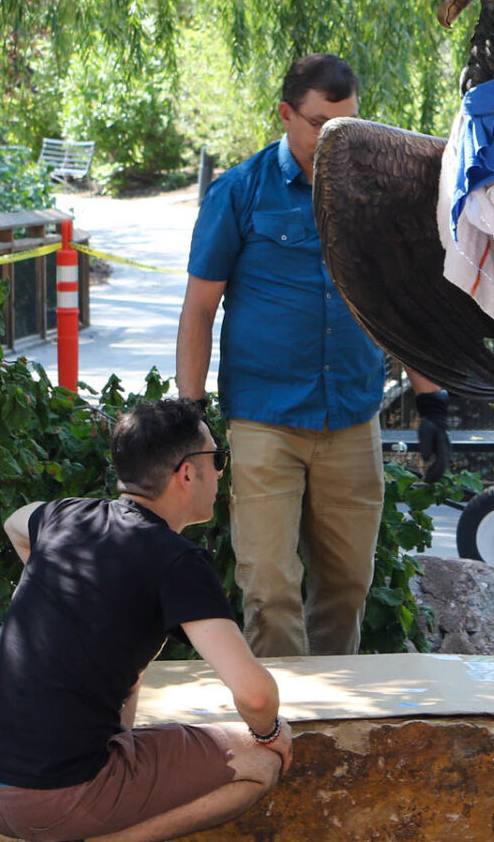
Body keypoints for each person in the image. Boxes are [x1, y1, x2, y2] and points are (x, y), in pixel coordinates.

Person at [176, 53, 449, 658]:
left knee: (348, 587)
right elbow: (198, 309)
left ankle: (333, 728)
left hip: (351, 417)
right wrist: (190, 414)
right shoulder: (240, 192)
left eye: (347, 125)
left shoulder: (374, 195)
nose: (335, 140)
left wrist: (433, 402)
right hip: (264, 417)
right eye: (322, 125)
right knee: (270, 590)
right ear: (285, 115)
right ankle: (282, 735)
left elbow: (400, 301)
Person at [0, 398, 292, 842]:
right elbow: (256, 695)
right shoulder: (176, 561)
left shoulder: (64, 515)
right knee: (258, 765)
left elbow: (16, 524)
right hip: (53, 798)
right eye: (216, 459)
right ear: (187, 473)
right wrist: (269, 735)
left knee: (132, 680)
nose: (221, 472)